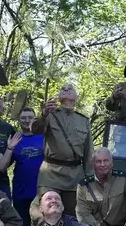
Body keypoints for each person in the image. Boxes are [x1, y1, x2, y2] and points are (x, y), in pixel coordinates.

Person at [32, 85, 93, 218]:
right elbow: (35, 130)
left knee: (72, 215)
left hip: (75, 176)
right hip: (50, 174)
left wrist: (90, 178)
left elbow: (88, 152)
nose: (65, 89)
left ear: (76, 97)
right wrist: (43, 114)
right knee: (44, 214)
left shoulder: (83, 120)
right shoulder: (49, 115)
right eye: (62, 88)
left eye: (70, 88)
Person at [8, 106, 43, 226]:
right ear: (19, 120)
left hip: (41, 191)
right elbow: (5, 164)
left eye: (30, 117)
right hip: (20, 192)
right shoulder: (16, 139)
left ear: (35, 119)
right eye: (23, 117)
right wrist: (9, 148)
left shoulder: (44, 137)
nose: (26, 120)